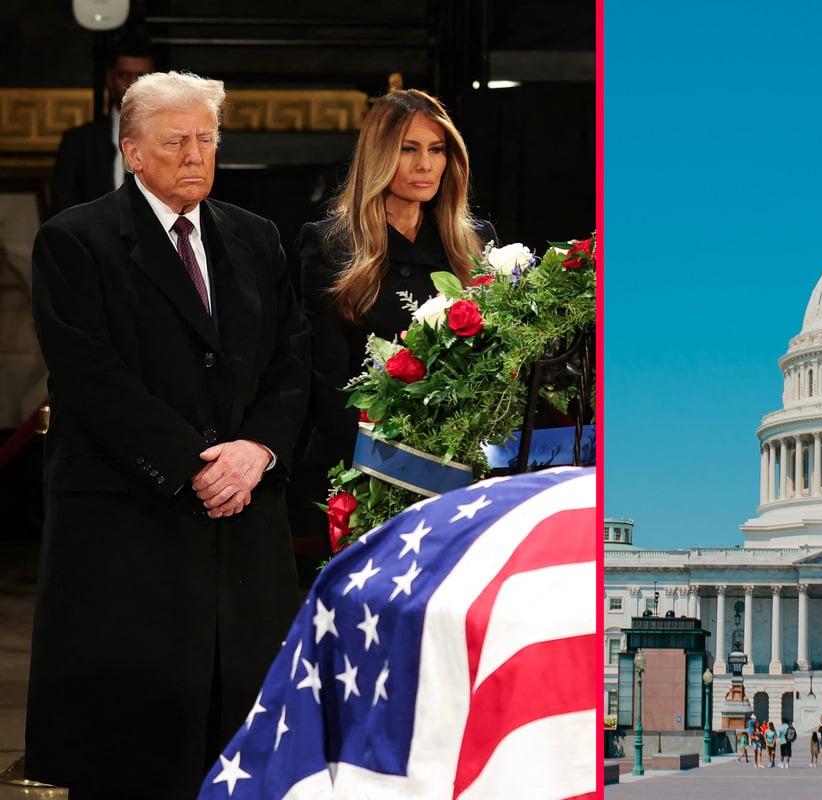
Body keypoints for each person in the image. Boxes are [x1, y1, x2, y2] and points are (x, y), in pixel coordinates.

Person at [25, 70, 311, 799]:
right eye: (176, 141)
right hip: (133, 530)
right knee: (136, 755)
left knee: (244, 743)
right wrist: (195, 464)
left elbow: (291, 361)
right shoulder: (75, 241)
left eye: (206, 139)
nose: (194, 155)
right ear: (134, 152)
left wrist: (255, 452)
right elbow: (91, 377)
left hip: (244, 525)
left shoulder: (257, 238)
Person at [293, 88, 495, 545]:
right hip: (358, 469)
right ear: (380, 155)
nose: (426, 165)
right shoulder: (330, 243)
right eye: (409, 149)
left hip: (455, 467)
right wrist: (386, 470)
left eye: (437, 150)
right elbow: (327, 378)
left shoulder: (475, 241)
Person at [50, 37, 155, 217]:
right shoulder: (79, 141)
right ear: (110, 78)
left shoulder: (172, 139)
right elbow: (64, 208)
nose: (133, 85)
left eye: (142, 77)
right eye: (124, 75)